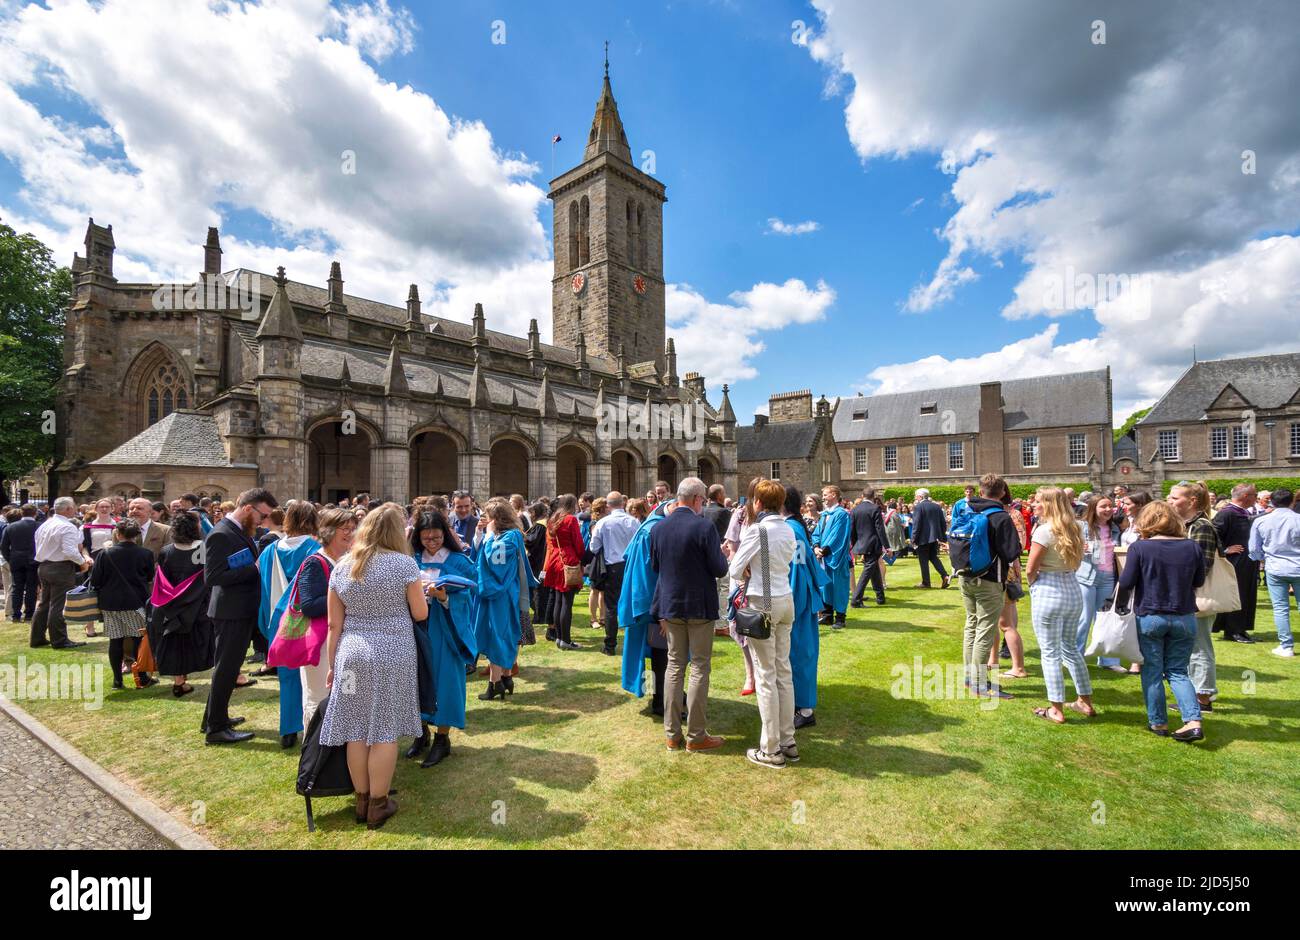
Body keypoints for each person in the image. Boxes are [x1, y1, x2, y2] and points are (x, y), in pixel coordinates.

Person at [320, 503, 426, 829]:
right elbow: (420, 613)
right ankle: (379, 804)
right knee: (384, 729)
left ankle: (361, 800)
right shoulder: (404, 565)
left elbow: (333, 625)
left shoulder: (342, 566)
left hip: (351, 654)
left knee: (354, 729)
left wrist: (331, 665)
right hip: (392, 654)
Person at [1114, 500, 1206, 741]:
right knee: (1178, 671)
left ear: (1146, 521)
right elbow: (1198, 581)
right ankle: (1193, 720)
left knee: (1153, 671)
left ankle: (1158, 722)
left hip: (1151, 615)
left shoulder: (1140, 548)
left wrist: (1121, 606)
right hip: (1184, 615)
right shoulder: (1192, 547)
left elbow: (1126, 582)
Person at [650, 477, 729, 753]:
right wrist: (722, 554)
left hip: (670, 606)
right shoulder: (704, 526)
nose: (704, 504)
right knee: (698, 667)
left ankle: (672, 735)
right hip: (698, 606)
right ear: (697, 499)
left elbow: (656, 566)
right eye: (703, 500)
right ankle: (696, 736)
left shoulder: (658, 528)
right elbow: (720, 569)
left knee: (674, 666)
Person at [728, 479, 798, 769]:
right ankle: (787, 740)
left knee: (766, 675)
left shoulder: (758, 530)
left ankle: (770, 749)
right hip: (785, 600)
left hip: (764, 602)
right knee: (783, 671)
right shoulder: (788, 528)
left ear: (758, 502)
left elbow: (733, 567)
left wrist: (744, 567)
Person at [201, 487, 278, 745]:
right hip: (230, 610)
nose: (262, 521)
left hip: (238, 609)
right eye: (262, 515)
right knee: (226, 668)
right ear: (248, 508)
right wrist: (253, 570)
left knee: (228, 667)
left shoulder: (238, 530)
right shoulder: (222, 533)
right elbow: (213, 577)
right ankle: (216, 728)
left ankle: (213, 717)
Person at [407, 510, 478, 768]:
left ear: (445, 535)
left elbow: (469, 592)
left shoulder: (459, 561)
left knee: (446, 682)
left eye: (436, 538)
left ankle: (442, 739)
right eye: (426, 539)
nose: (432, 543)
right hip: (418, 628)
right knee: (418, 679)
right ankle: (421, 732)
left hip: (446, 628)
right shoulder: (412, 559)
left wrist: (444, 598)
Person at [1025, 487, 1094, 724]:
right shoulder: (1075, 528)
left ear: (1049, 505)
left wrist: (1033, 584)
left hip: (1049, 588)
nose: (1034, 506)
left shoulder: (1044, 531)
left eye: (1038, 503)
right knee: (1070, 649)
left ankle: (1056, 707)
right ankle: (1084, 700)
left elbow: (1031, 568)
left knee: (1050, 653)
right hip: (1071, 588)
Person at [256, 501, 321, 748]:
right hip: (306, 617)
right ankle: (312, 727)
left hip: (276, 617)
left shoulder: (269, 551)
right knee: (311, 676)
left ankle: (288, 729)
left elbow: (261, 586)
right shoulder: (316, 549)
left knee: (287, 677)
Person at [956, 474, 1023, 698]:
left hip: (965, 575)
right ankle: (979, 683)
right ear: (1003, 492)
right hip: (990, 579)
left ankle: (969, 677)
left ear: (980, 490)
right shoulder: (1001, 517)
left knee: (971, 626)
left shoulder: (966, 510)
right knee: (985, 630)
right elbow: (1011, 551)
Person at [146, 510, 213, 698]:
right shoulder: (201, 548)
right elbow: (205, 576)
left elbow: (163, 578)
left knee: (174, 642)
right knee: (194, 641)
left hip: (171, 605)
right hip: (196, 604)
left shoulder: (167, 551)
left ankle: (179, 681)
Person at [1168, 481, 1221, 711]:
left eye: (1174, 498)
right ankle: (1194, 695)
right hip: (1185, 595)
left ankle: (1203, 698)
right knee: (1189, 647)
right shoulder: (1184, 525)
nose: (1170, 501)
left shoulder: (1201, 526)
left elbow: (1201, 566)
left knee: (1199, 646)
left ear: (1191, 501)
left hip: (1196, 596)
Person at [473, 498, 533, 699]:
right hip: (504, 593)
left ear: (496, 518)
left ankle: (495, 683)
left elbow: (495, 561)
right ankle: (506, 678)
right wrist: (482, 534)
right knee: (505, 634)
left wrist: (488, 534)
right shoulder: (506, 535)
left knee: (497, 635)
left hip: (501, 595)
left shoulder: (509, 537)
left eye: (488, 516)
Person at [90, 520, 158, 690]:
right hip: (135, 601)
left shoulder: (105, 554)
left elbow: (96, 580)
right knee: (137, 641)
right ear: (136, 535)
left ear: (118, 534)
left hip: (110, 602)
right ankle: (142, 678)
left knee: (116, 641)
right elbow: (149, 577)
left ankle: (117, 681)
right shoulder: (145, 553)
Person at [781, 486, 828, 732]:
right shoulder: (794, 527)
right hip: (800, 598)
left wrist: (791, 604)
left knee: (801, 655)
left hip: (797, 599)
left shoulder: (790, 530)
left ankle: (805, 709)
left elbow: (797, 572)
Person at [31, 497, 90, 650]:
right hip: (60, 568)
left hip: (44, 566)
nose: (75, 509)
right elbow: (70, 550)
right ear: (68, 509)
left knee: (44, 603)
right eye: (73, 507)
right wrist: (82, 562)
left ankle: (37, 637)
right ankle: (59, 640)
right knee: (58, 605)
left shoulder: (45, 524)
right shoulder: (67, 526)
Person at [1248, 486, 1300, 658]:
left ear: (1271, 501)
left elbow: (1254, 549)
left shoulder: (1262, 521)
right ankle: (1285, 645)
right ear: (1292, 501)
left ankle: (1286, 646)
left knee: (1280, 608)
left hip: (1275, 567)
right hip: (1297, 566)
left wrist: (1263, 558)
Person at [1077, 495, 1126, 672]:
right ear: (1093, 508)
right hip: (1085, 577)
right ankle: (1076, 658)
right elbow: (1068, 548)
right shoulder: (1081, 527)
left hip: (1108, 577)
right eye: (1103, 506)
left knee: (1106, 620)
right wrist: (1078, 548)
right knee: (1083, 619)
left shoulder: (1114, 528)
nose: (1108, 510)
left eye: (1110, 506)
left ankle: (1108, 661)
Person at [590, 491, 639, 656]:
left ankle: (610, 645)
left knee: (611, 607)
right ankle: (633, 643)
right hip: (630, 565)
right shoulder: (633, 522)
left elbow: (593, 547)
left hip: (612, 568)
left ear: (608, 506)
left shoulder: (603, 523)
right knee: (632, 603)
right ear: (623, 504)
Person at [1213, 483, 1260, 644]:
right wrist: (1226, 549)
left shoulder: (1241, 512)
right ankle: (1233, 630)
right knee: (1237, 595)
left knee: (1246, 595)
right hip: (1235, 563)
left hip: (1246, 562)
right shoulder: (1226, 513)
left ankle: (1240, 628)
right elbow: (1214, 534)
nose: (1256, 497)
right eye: (1254, 494)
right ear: (1245, 496)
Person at [543, 493, 585, 651]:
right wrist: (581, 558)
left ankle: (560, 638)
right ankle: (565, 640)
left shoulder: (553, 519)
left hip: (554, 560)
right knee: (566, 602)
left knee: (558, 601)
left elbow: (549, 543)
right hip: (567, 561)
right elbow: (578, 543)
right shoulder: (570, 519)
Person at [811, 484, 852, 628]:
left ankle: (840, 618)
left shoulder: (841, 514)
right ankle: (827, 615)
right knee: (826, 586)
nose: (823, 498)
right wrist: (816, 546)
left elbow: (838, 535)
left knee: (839, 587)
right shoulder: (825, 515)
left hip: (836, 557)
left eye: (825, 495)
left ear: (834, 495)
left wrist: (825, 550)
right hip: (823, 556)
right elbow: (816, 533)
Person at [849, 486, 891, 608]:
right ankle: (856, 599)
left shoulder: (855, 510)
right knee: (868, 571)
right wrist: (887, 547)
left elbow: (852, 530)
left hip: (862, 543)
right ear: (873, 497)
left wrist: (856, 544)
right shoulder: (875, 508)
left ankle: (880, 597)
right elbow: (880, 529)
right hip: (873, 544)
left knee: (874, 570)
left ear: (862, 496)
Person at [1, 504, 40, 623]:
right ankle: (29, 614)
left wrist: (10, 558)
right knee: (31, 588)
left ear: (21, 513)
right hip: (33, 560)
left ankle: (16, 615)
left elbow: (4, 546)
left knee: (16, 588)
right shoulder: (39, 526)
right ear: (35, 513)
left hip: (16, 560)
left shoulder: (11, 527)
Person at [911, 488, 950, 589]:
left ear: (920, 496)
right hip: (935, 538)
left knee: (923, 561)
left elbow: (917, 524)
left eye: (916, 496)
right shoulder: (936, 506)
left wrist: (913, 539)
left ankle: (926, 582)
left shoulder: (919, 507)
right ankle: (945, 575)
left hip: (923, 538)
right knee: (933, 557)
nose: (915, 498)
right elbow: (943, 523)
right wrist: (942, 537)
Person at [128, 497, 170, 561]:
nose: (134, 511)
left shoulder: (165, 531)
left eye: (139, 508)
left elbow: (167, 556)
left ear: (150, 512)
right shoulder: (118, 531)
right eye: (131, 508)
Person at [449, 490, 477, 556]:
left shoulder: (479, 525)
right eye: (459, 507)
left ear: (471, 505)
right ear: (453, 506)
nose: (463, 510)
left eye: (467, 506)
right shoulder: (446, 521)